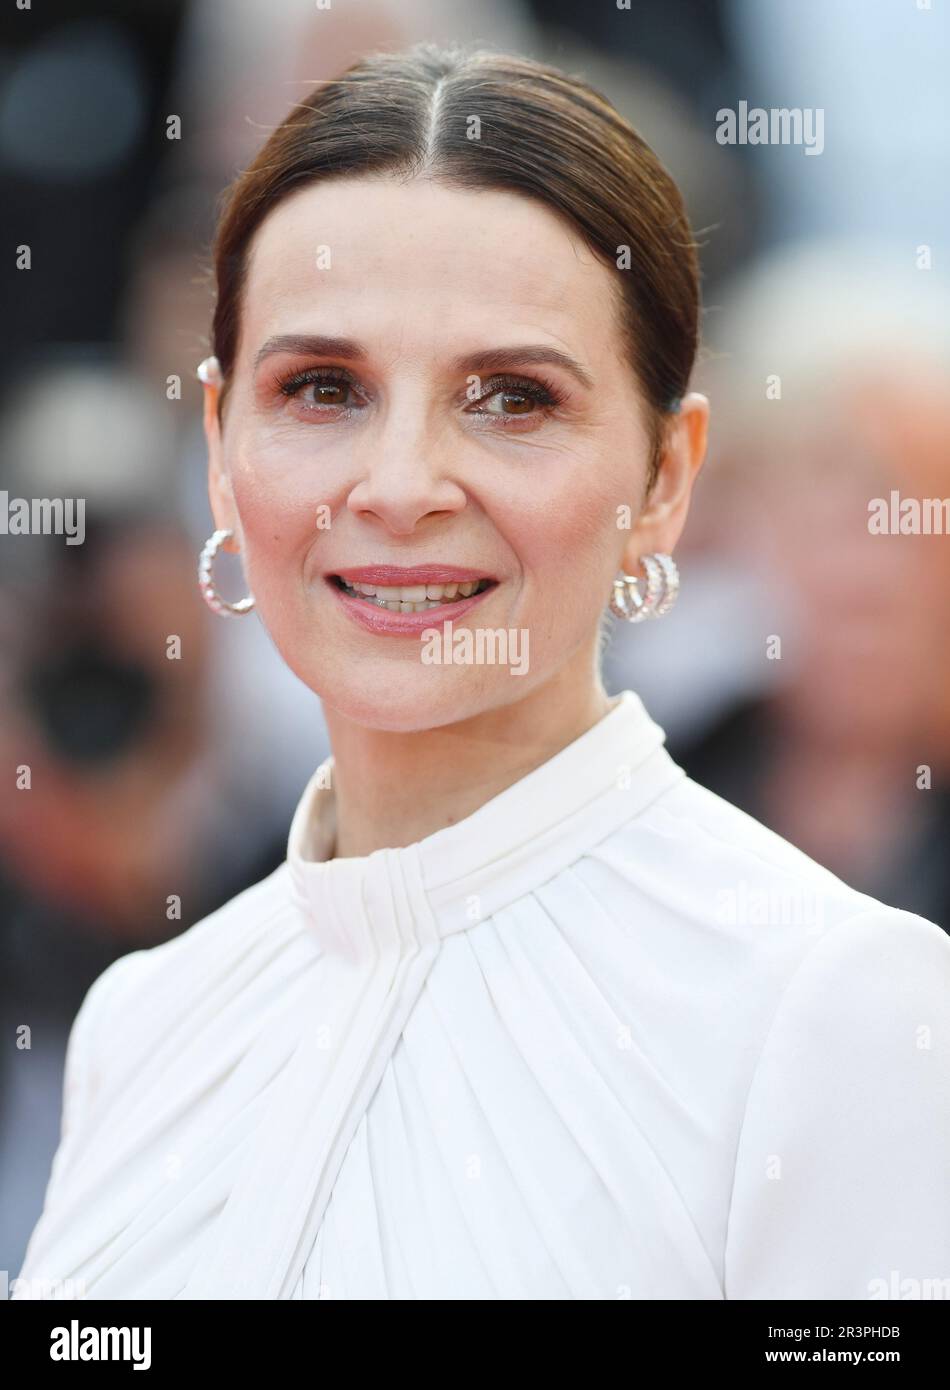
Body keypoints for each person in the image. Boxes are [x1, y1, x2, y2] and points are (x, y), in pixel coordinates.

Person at [12, 42, 950, 1301]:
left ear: (665, 479)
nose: (399, 487)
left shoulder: (828, 1002)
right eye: (322, 388)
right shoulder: (143, 1021)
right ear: (221, 451)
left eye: (509, 397)